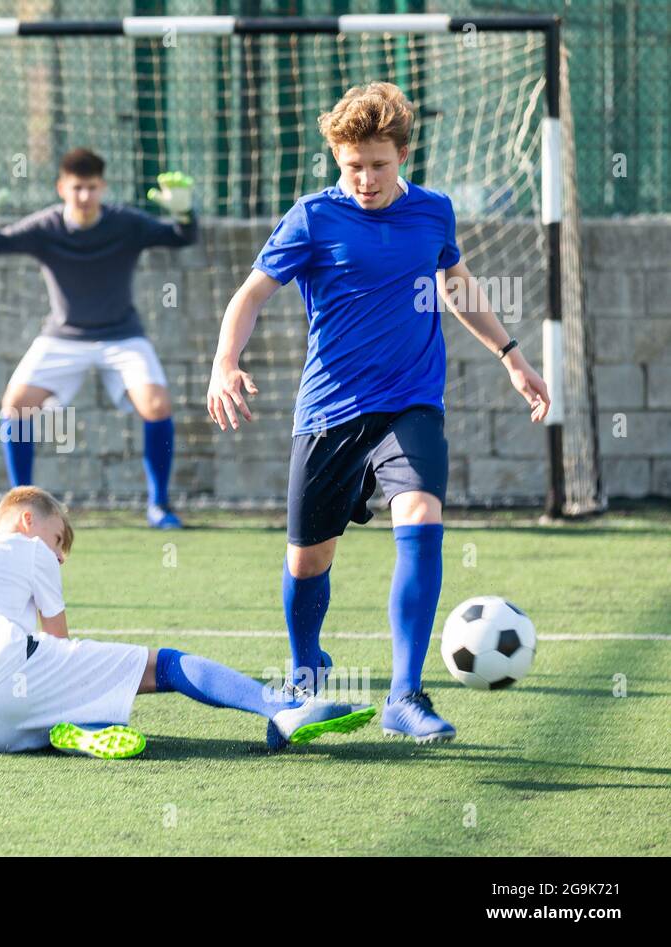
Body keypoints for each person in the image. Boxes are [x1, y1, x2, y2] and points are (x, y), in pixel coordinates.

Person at [207, 83, 551, 744]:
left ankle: (404, 693)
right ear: (338, 160)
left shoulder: (434, 213)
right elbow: (250, 295)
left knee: (420, 514)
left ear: (402, 156)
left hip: (411, 403)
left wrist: (511, 354)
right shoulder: (312, 216)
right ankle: (306, 670)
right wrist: (225, 361)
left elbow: (454, 282)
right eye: (352, 166)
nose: (365, 178)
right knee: (308, 562)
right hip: (330, 412)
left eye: (379, 165)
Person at [0, 486, 376, 758]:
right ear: (26, 521)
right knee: (168, 664)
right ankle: (284, 707)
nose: (60, 556)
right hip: (9, 676)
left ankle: (74, 731)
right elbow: (58, 641)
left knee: (58, 685)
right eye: (59, 539)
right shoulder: (26, 548)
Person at [0, 148, 197, 528]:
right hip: (63, 337)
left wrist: (185, 213)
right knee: (16, 405)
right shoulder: (45, 227)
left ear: (102, 187)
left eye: (91, 187)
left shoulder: (125, 223)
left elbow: (181, 237)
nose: (84, 196)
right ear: (61, 188)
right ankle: (20, 514)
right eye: (76, 188)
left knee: (157, 405)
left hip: (122, 336)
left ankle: (159, 506)